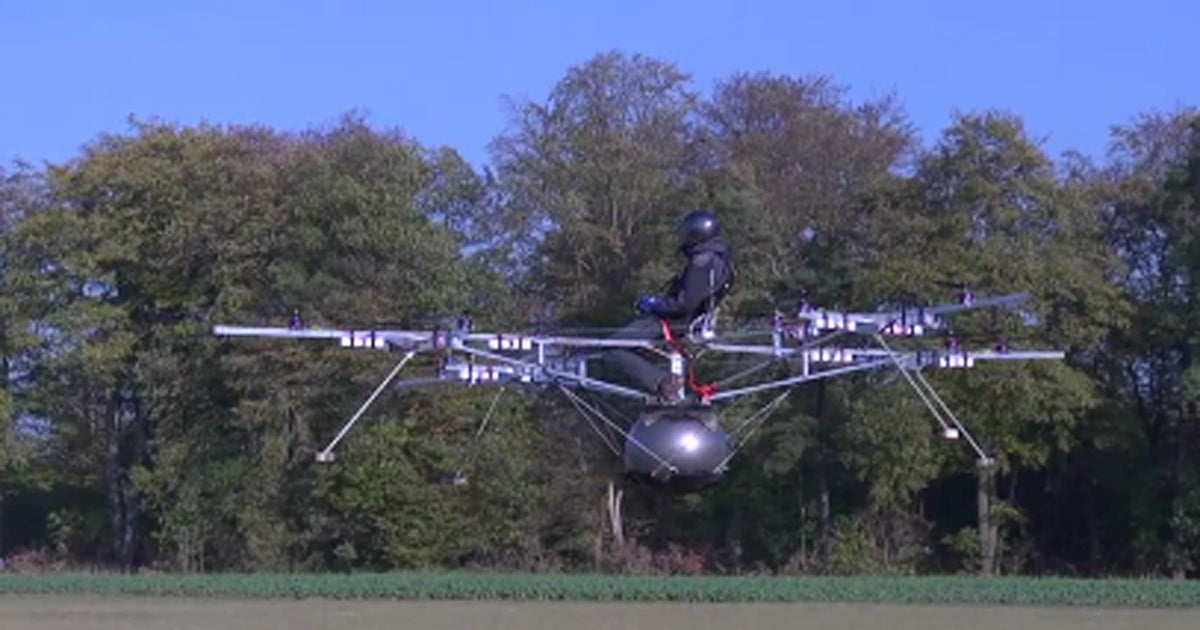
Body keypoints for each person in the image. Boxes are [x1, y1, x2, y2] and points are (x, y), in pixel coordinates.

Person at [600, 209, 735, 404]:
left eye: (687, 233)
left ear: (697, 234)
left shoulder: (702, 261)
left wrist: (653, 304)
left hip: (671, 322)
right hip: (685, 321)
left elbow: (683, 304)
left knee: (611, 348)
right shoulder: (719, 260)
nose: (683, 238)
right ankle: (677, 387)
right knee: (630, 347)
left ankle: (663, 383)